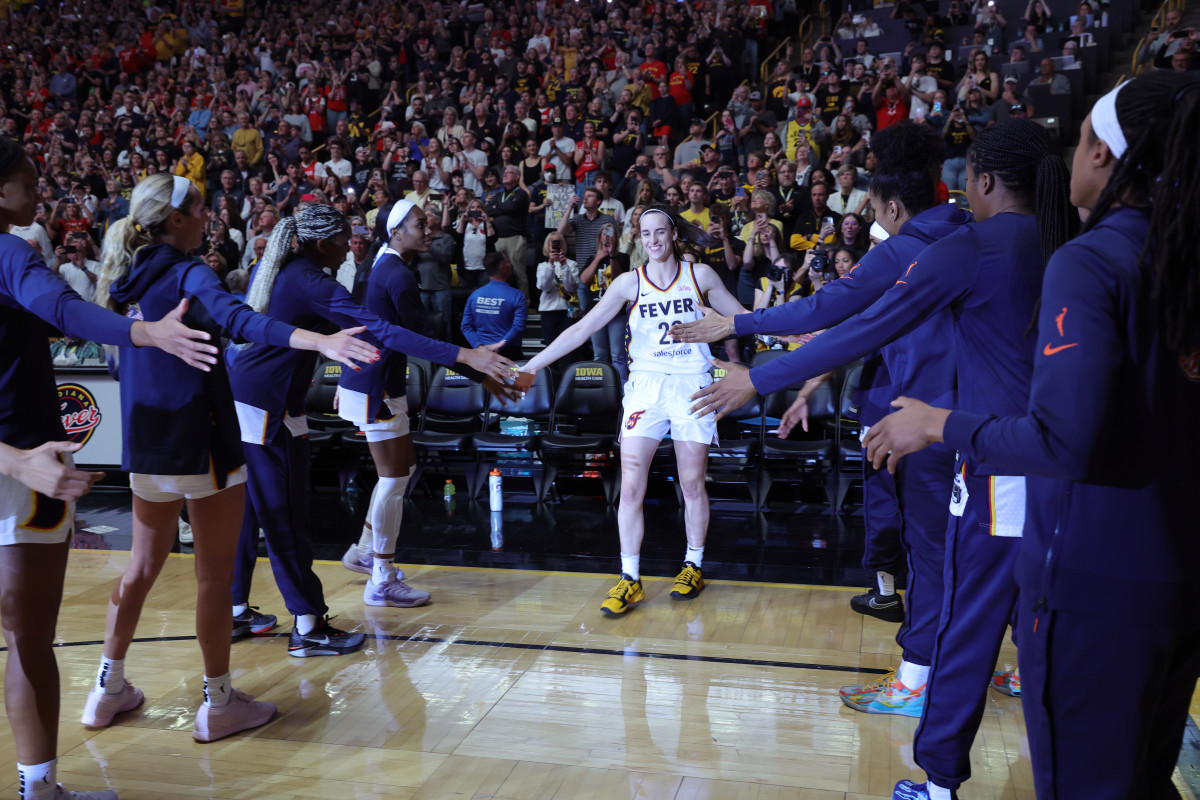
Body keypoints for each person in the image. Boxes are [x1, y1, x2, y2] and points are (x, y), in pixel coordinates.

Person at [863, 72, 1200, 800]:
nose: (1070, 156)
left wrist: (936, 423)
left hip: (1086, 575)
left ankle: (938, 778)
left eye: (1081, 139)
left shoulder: (1085, 260)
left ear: (1107, 158)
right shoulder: (1180, 255)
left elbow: (1063, 440)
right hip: (1179, 572)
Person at [671, 123, 971, 718]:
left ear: (889, 205)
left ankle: (918, 680)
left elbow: (832, 311)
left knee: (930, 552)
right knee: (969, 551)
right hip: (969, 421)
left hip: (923, 424)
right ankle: (972, 661)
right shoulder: (967, 231)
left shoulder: (907, 249)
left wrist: (742, 332)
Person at [84, 174, 378, 745]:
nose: (209, 220)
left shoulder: (125, 277)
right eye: (200, 211)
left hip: (146, 442)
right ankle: (218, 701)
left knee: (140, 570)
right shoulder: (189, 273)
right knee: (214, 578)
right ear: (175, 220)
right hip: (201, 441)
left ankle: (108, 685)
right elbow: (242, 320)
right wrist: (319, 341)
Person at [0, 139, 219, 800]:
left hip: (16, 462)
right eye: (28, 181)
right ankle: (39, 789)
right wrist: (144, 332)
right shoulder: (13, 253)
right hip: (28, 467)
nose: (39, 192)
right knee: (29, 640)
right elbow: (63, 310)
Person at [228, 203, 514, 656]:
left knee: (249, 510)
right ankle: (309, 625)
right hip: (272, 403)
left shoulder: (281, 265)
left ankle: (236, 609)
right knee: (286, 515)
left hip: (256, 393)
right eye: (344, 240)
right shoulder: (315, 279)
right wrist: (468, 358)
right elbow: (383, 331)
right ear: (323, 243)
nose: (350, 248)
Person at [516, 206, 749, 615]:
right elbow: (581, 329)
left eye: (661, 232)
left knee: (692, 482)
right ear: (638, 238)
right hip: (645, 387)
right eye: (647, 233)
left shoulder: (701, 276)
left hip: (692, 383)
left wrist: (801, 331)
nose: (654, 240)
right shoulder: (628, 283)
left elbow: (745, 318)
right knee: (632, 482)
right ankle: (629, 577)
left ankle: (693, 563)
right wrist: (531, 365)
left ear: (674, 233)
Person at [338, 201, 518, 600]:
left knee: (404, 468)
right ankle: (381, 577)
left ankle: (365, 551)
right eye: (421, 224)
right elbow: (424, 337)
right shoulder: (395, 274)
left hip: (370, 381)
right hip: (376, 386)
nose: (429, 228)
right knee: (393, 478)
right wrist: (480, 373)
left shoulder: (378, 265)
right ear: (396, 231)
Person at [461, 251, 527, 361]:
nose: (510, 264)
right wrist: (500, 345)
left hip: (481, 354)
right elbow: (518, 326)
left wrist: (479, 346)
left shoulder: (475, 295)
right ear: (502, 267)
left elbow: (466, 326)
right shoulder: (516, 295)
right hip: (509, 353)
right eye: (507, 262)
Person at [534, 232, 580, 352]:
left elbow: (570, 288)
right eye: (552, 241)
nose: (555, 244)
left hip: (568, 311)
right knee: (550, 349)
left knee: (570, 349)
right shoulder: (542, 266)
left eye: (558, 241)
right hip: (548, 311)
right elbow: (544, 286)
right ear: (548, 245)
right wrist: (551, 264)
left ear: (563, 244)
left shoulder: (571, 264)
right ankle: (552, 371)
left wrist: (564, 266)